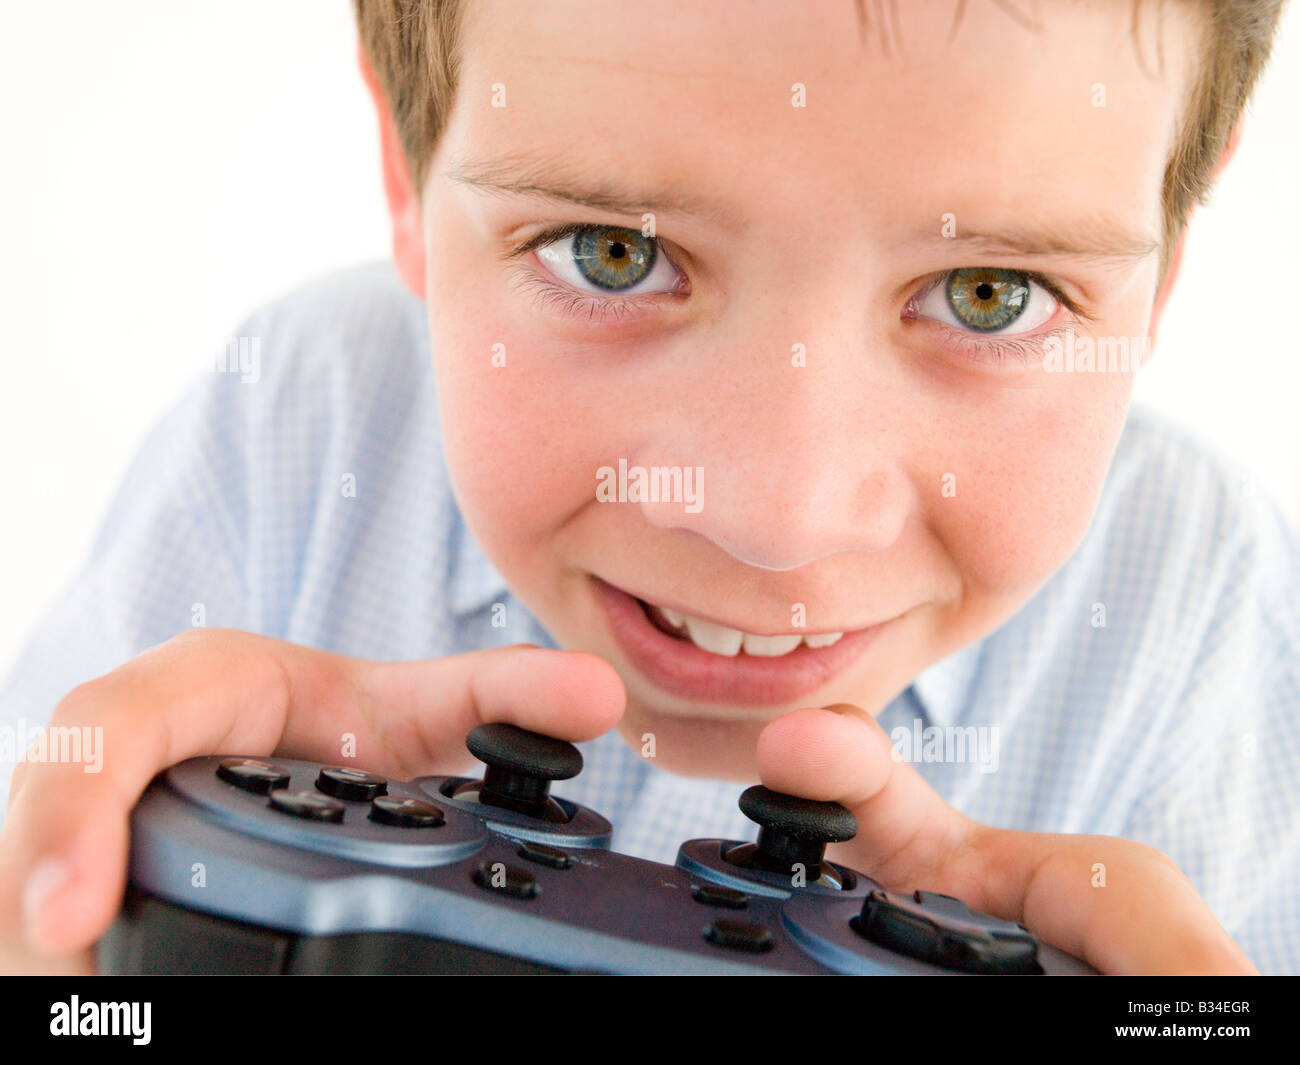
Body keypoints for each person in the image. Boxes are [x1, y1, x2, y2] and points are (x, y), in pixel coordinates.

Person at [1, 0, 1295, 975]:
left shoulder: (1210, 624)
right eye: (614, 254)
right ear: (404, 161)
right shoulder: (293, 425)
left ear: (1173, 258)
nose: (774, 518)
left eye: (988, 294)